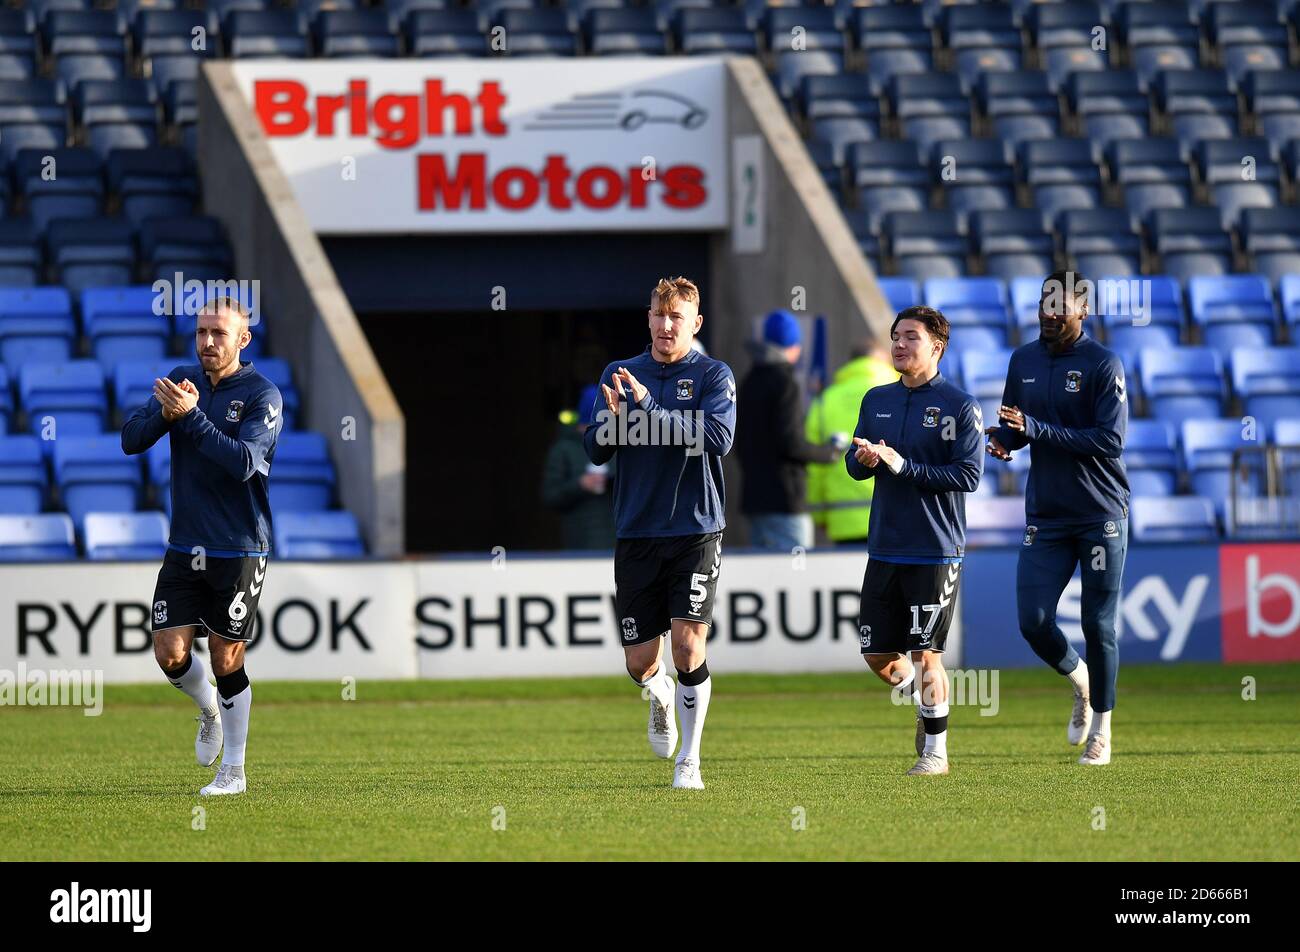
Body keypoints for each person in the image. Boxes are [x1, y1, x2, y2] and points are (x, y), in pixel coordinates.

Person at [121, 296, 283, 797]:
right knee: (169, 653)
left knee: (224, 657)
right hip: (185, 542)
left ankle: (233, 771)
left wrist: (188, 416)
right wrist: (166, 415)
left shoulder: (263, 395)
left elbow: (241, 463)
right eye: (201, 333)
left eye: (219, 333)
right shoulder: (181, 381)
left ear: (243, 338)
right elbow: (131, 439)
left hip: (239, 546)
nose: (208, 342)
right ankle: (209, 709)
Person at [582, 276, 736, 790]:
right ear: (648, 319)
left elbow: (716, 438)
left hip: (695, 529)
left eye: (677, 317)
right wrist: (611, 421)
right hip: (636, 530)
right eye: (659, 315)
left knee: (689, 648)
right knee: (640, 661)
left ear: (696, 323)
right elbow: (597, 449)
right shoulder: (620, 373)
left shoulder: (714, 375)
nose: (666, 325)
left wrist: (649, 409)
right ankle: (660, 694)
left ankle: (689, 760)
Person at [987, 270, 1129, 766]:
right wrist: (1002, 441)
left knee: (1098, 622)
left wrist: (1037, 430)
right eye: (1043, 304)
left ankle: (1104, 732)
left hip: (1098, 513)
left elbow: (1109, 441)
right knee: (1034, 620)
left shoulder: (1102, 364)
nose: (1048, 314)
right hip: (1046, 515)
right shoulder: (1022, 360)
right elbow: (1017, 427)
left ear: (1083, 311)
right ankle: (1082, 683)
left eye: (1059, 306)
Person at [846, 305, 983, 776]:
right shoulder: (876, 399)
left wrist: (903, 465)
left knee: (927, 656)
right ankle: (929, 710)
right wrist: (863, 460)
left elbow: (968, 475)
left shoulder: (960, 406)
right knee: (876, 655)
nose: (899, 345)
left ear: (936, 347)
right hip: (885, 544)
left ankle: (936, 755)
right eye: (895, 336)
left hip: (935, 547)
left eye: (911, 337)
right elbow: (853, 461)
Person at [735, 310, 839, 551]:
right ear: (794, 346)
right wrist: (829, 453)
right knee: (794, 579)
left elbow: (740, 442)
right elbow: (791, 442)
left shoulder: (749, 380)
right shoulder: (785, 382)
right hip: (784, 500)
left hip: (754, 501)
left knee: (764, 578)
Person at [805, 342, 898, 545]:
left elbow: (815, 466)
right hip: (895, 518)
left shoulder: (824, 401)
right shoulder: (904, 395)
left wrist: (819, 514)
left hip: (843, 518)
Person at [541, 384, 615, 550]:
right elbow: (550, 496)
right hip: (579, 542)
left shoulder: (619, 446)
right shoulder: (563, 450)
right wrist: (580, 485)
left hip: (618, 541)